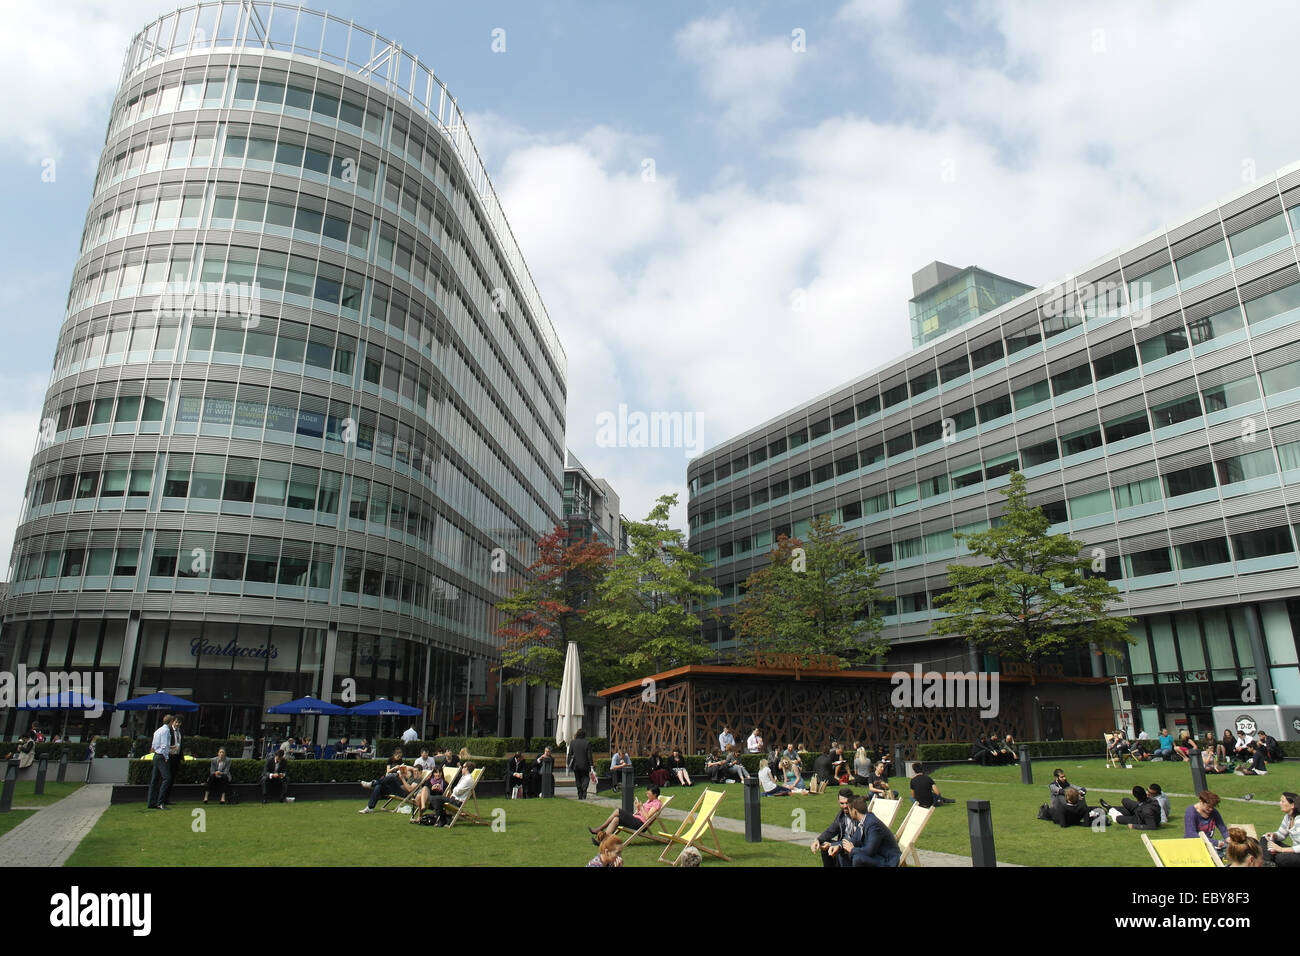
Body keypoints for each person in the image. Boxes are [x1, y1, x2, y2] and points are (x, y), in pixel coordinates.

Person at [834, 795, 901, 867]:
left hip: (886, 859)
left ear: (854, 811)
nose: (849, 813)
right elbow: (854, 840)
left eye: (849, 810)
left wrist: (852, 850)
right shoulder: (864, 821)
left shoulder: (873, 824)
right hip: (877, 855)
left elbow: (870, 851)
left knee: (858, 858)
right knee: (842, 853)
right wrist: (839, 845)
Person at [590, 786, 663, 842]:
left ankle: (600, 829)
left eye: (648, 793)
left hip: (641, 824)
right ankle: (603, 841)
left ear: (655, 794)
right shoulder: (649, 801)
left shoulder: (656, 804)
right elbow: (641, 812)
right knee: (616, 819)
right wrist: (638, 807)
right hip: (636, 820)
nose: (646, 794)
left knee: (618, 811)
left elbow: (647, 818)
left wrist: (641, 807)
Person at [810, 788, 856, 867]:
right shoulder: (841, 815)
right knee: (824, 845)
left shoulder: (858, 814)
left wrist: (835, 844)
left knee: (834, 848)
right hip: (843, 844)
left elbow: (856, 839)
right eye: (842, 803)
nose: (844, 806)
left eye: (847, 803)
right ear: (838, 801)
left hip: (854, 846)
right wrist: (818, 840)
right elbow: (831, 830)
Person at [427, 760, 477, 826]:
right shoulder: (464, 777)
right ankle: (444, 818)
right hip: (454, 799)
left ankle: (442, 819)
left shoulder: (468, 780)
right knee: (435, 799)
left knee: (435, 799)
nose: (462, 768)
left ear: (466, 768)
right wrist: (455, 789)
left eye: (463, 767)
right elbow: (456, 790)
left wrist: (454, 789)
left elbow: (457, 791)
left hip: (457, 801)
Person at [1262, 792, 1300, 867]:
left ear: (1292, 805)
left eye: (1283, 801)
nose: (1280, 803)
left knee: (1281, 858)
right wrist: (1274, 835)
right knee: (1264, 839)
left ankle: (1270, 862)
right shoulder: (1288, 817)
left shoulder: (1299, 820)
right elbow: (1281, 835)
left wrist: (1281, 850)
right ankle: (1268, 863)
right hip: (1294, 852)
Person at [146, 713, 175, 810]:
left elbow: (154, 745)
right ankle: (160, 802)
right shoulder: (166, 731)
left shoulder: (157, 730)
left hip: (156, 755)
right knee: (167, 778)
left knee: (155, 780)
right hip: (162, 756)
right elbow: (164, 745)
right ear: (171, 722)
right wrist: (166, 756)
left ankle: (151, 802)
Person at [160, 715, 183, 806]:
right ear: (173, 722)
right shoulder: (168, 731)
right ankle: (162, 799)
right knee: (167, 778)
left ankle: (167, 798)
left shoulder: (180, 732)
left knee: (172, 778)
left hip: (176, 757)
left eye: (179, 722)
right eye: (176, 722)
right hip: (169, 756)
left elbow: (181, 744)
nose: (177, 724)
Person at [568, 729, 593, 800]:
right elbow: (589, 756)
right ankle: (584, 789)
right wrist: (591, 765)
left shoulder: (572, 742)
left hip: (576, 764)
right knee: (586, 778)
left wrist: (568, 764)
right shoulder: (587, 742)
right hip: (585, 764)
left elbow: (570, 754)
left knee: (577, 779)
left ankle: (579, 793)